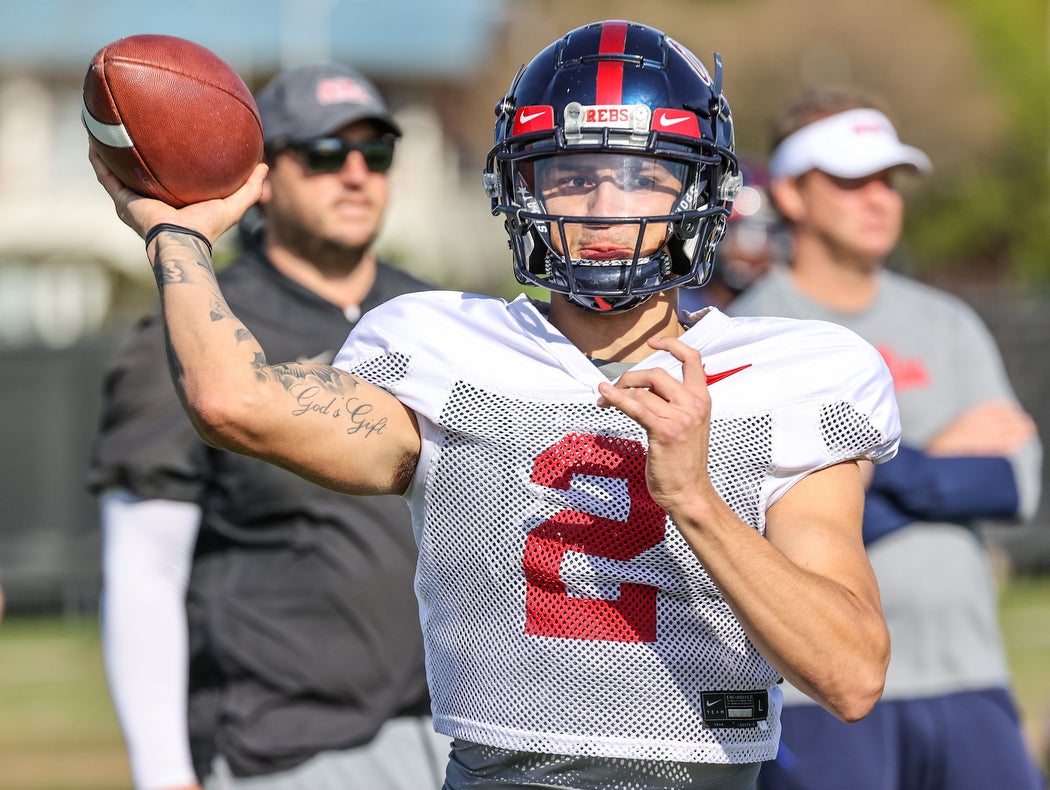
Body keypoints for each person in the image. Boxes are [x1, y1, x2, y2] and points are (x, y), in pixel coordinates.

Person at [90, 21, 903, 790]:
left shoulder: (793, 374)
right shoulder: (442, 347)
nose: (605, 208)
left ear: (703, 191)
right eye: (571, 176)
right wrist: (178, 238)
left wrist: (696, 501)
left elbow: (851, 675)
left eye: (641, 175)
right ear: (519, 188)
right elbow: (231, 401)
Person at [87, 62, 448, 790]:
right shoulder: (193, 332)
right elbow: (145, 565)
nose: (355, 174)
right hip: (283, 748)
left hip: (451, 731)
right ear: (262, 177)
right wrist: (163, 773)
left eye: (375, 152)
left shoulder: (434, 317)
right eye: (323, 152)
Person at [726, 86, 1044, 790]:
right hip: (817, 696)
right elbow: (756, 538)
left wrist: (868, 472)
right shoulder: (751, 341)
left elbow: (1014, 483)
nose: (880, 200)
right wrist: (942, 464)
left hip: (969, 675)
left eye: (889, 181)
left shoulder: (950, 324)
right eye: (852, 180)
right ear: (792, 193)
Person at [678, 161, 785, 314]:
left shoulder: (780, 312)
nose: (752, 252)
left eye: (766, 233)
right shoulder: (678, 309)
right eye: (740, 233)